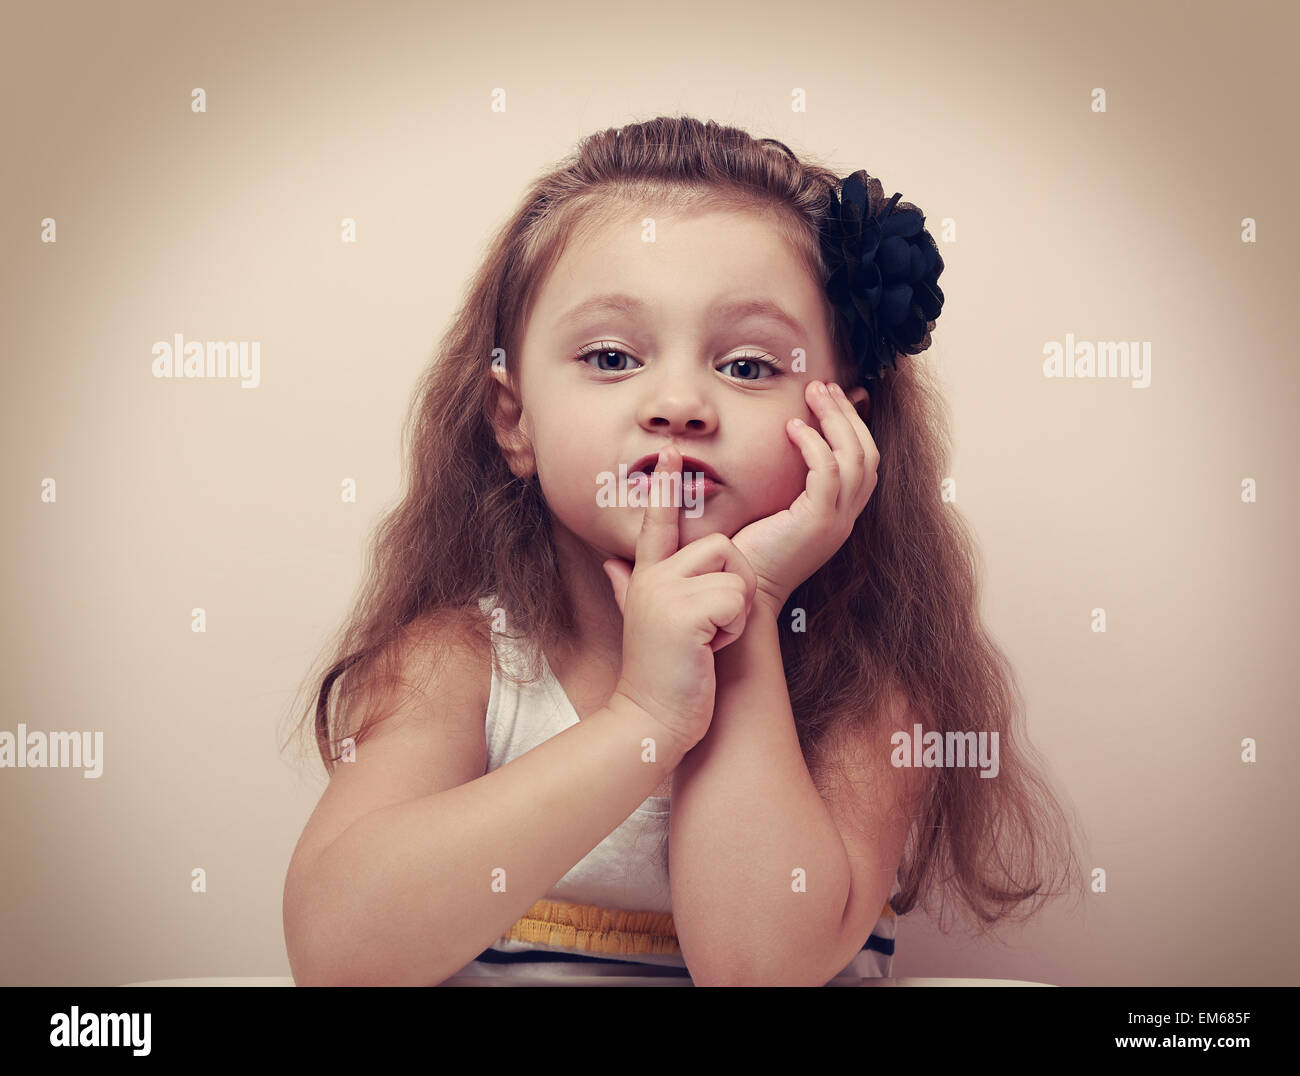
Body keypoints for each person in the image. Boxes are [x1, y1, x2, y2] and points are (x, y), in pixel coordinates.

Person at [280, 115, 1086, 987]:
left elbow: (754, 969)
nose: (677, 404)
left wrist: (750, 610)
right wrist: (644, 723)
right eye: (611, 355)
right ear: (515, 420)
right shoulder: (462, 666)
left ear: (841, 426)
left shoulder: (866, 697)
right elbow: (338, 954)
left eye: (746, 367)